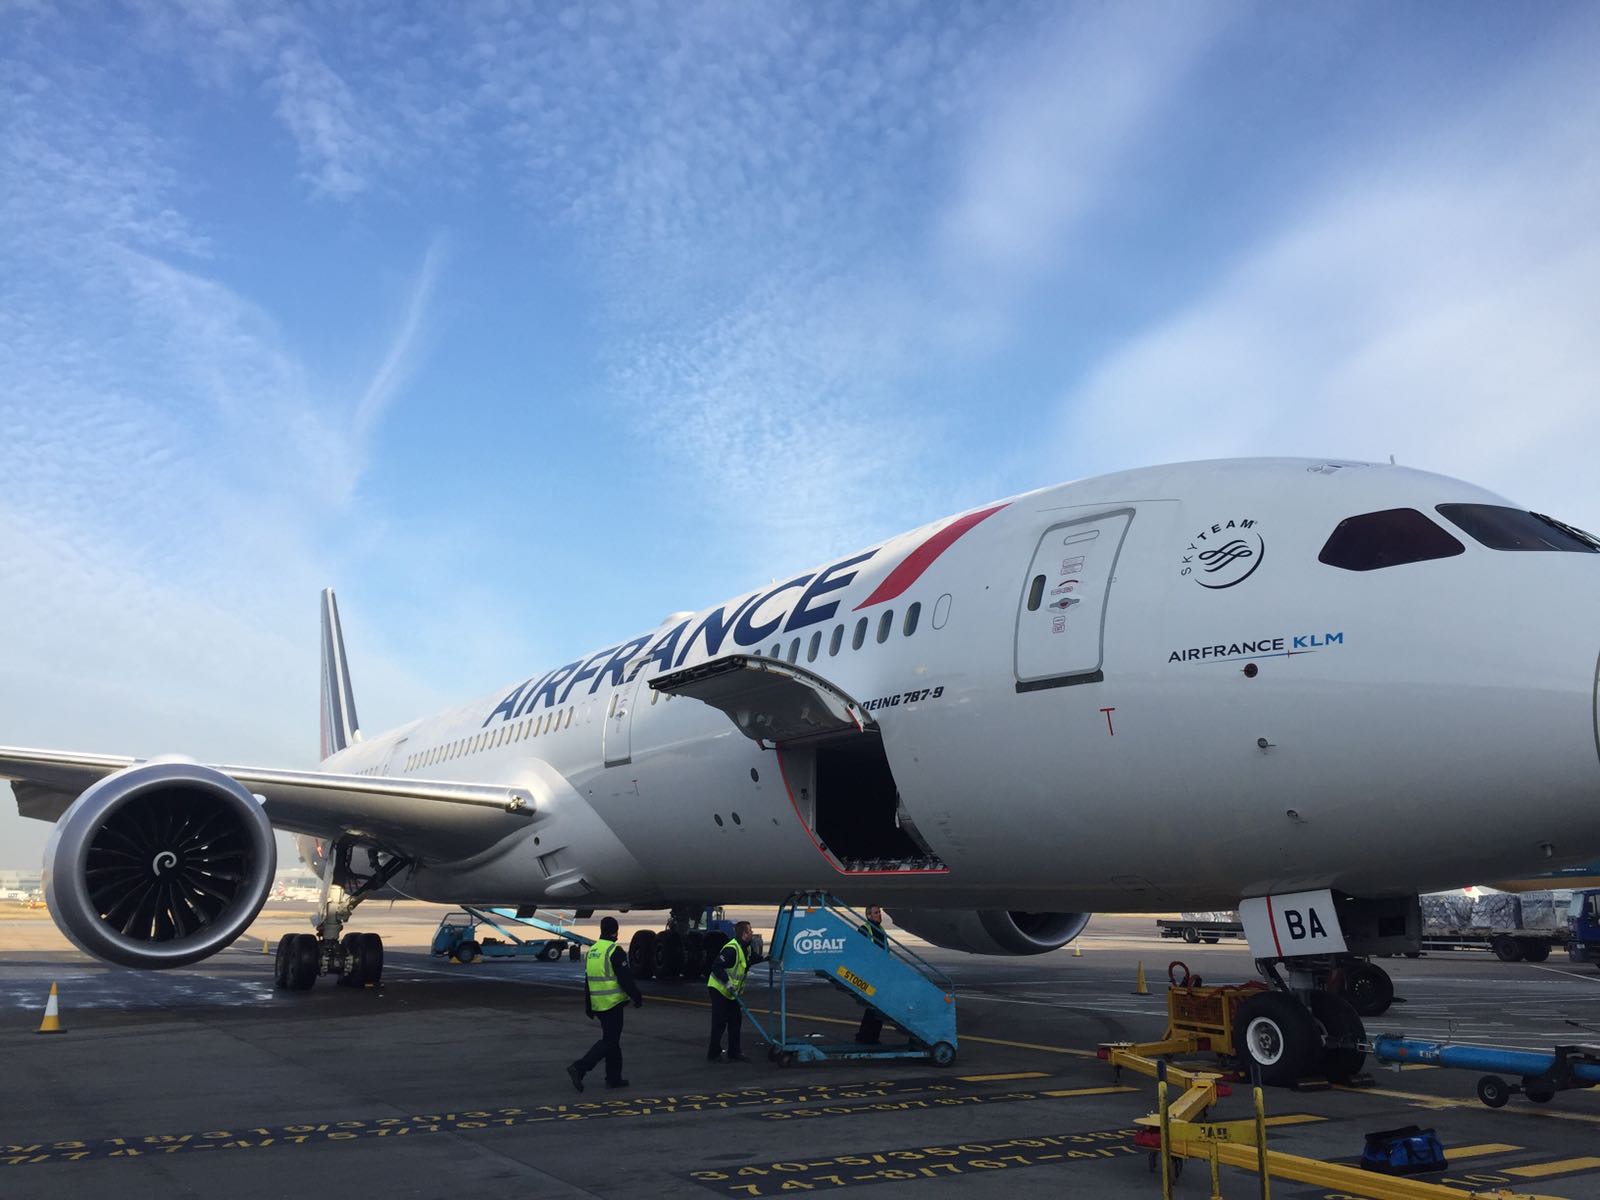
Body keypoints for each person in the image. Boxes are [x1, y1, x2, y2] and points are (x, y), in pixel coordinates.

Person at [567, 916, 642, 1091]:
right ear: (616, 931)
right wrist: (637, 997)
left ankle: (614, 1078)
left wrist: (588, 1005)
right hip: (612, 1004)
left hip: (598, 1004)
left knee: (613, 1041)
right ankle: (580, 1067)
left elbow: (588, 981)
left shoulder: (593, 951)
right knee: (609, 1041)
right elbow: (625, 979)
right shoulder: (614, 951)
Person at [707, 920, 757, 1063]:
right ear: (743, 933)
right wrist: (727, 982)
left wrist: (767, 958)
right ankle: (714, 1053)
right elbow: (716, 966)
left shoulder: (745, 948)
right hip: (719, 988)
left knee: (735, 1020)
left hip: (731, 991)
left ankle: (734, 1052)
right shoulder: (732, 949)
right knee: (720, 1021)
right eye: (750, 930)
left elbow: (751, 960)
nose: (752, 932)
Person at [855, 905, 888, 1045]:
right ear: (868, 916)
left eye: (879, 912)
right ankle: (866, 1037)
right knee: (874, 1007)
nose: (879, 915)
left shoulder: (880, 929)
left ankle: (869, 1037)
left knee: (875, 1008)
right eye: (875, 913)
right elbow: (860, 952)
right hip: (871, 973)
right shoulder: (865, 930)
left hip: (881, 973)